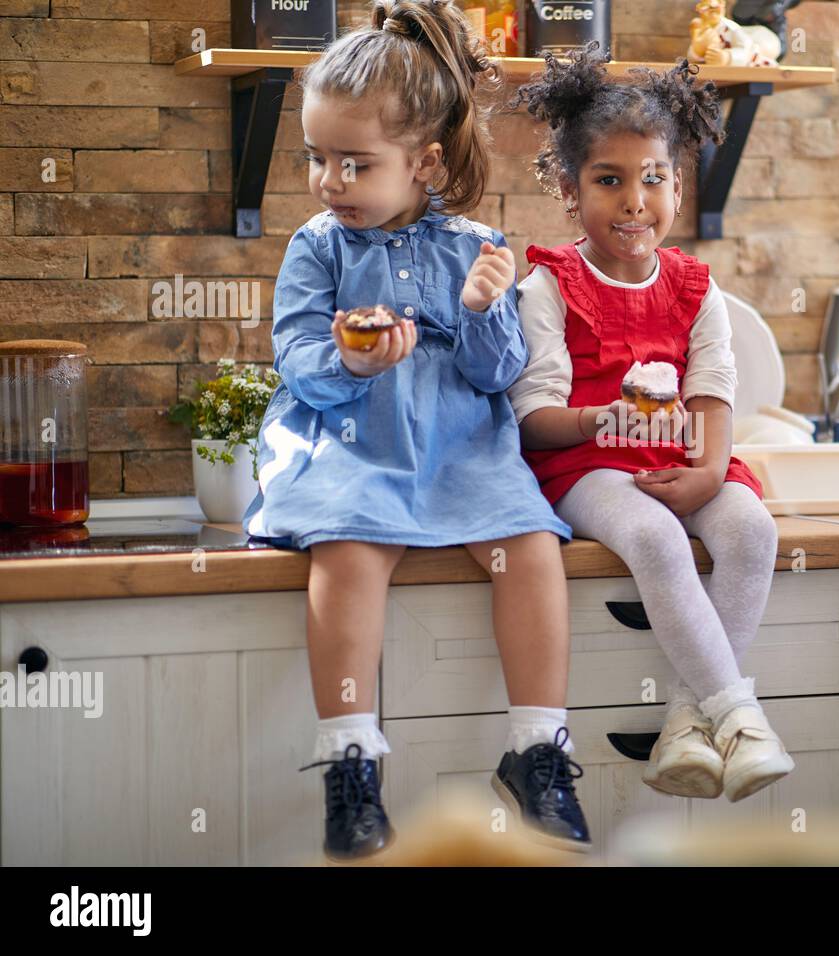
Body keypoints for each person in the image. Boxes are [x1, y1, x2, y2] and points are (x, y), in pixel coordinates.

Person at [243, 0, 590, 859]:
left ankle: (538, 750)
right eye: (317, 158)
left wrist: (480, 309)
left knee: (532, 548)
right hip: (351, 441)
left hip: (460, 448)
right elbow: (296, 358)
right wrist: (352, 363)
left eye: (355, 164)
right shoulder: (318, 247)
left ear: (425, 161)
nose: (331, 182)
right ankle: (350, 764)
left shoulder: (476, 246)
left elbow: (496, 375)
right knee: (349, 549)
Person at [506, 44, 792, 803]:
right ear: (569, 190)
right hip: (587, 466)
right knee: (657, 538)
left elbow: (714, 392)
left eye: (654, 178)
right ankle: (739, 719)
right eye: (609, 180)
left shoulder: (697, 286)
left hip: (685, 458)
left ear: (678, 184)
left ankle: (685, 727)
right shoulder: (549, 285)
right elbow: (532, 418)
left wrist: (708, 472)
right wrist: (601, 421)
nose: (635, 201)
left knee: (752, 531)